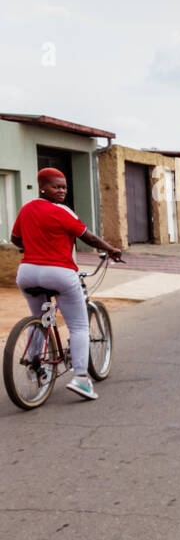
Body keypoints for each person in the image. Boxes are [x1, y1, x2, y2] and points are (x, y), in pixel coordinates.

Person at [9, 168, 122, 400]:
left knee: (40, 318)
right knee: (79, 326)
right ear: (42, 187)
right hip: (59, 273)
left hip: (27, 273)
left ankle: (35, 362)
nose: (61, 191)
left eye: (64, 187)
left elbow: (15, 239)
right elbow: (88, 237)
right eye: (56, 186)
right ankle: (81, 379)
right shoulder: (62, 212)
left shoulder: (26, 209)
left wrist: (31, 245)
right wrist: (110, 249)